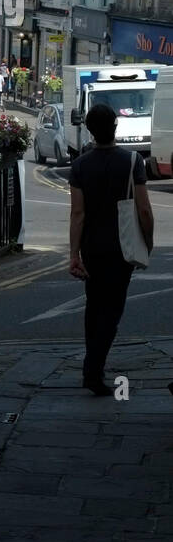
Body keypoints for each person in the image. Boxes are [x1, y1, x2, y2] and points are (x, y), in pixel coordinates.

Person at [68, 104, 154, 395]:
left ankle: (92, 367)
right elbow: (144, 209)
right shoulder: (132, 162)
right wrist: (148, 243)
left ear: (90, 130)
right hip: (122, 247)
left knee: (93, 307)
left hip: (92, 247)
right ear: (115, 127)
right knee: (111, 310)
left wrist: (73, 254)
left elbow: (77, 214)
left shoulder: (79, 165)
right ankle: (93, 369)